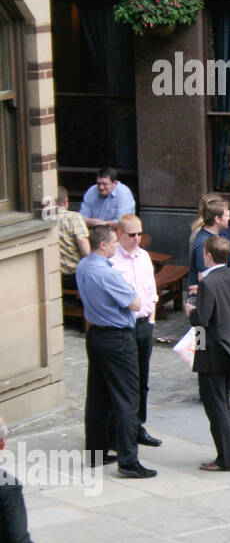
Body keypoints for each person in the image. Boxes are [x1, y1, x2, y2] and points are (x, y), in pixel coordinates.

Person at [76, 225, 154, 478]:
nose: (115, 246)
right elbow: (135, 302)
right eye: (112, 242)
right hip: (117, 338)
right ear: (103, 245)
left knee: (98, 395)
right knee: (126, 397)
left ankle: (96, 451)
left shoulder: (84, 266)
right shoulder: (106, 274)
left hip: (96, 334)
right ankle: (128, 459)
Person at [185, 235, 230, 471]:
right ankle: (227, 454)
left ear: (208, 256)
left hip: (210, 349)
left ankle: (227, 458)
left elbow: (201, 321)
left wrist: (191, 309)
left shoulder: (208, 283)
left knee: (215, 404)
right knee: (224, 401)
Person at [109, 214, 162, 448]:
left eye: (139, 233)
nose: (137, 239)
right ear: (119, 234)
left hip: (143, 325)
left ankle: (138, 424)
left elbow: (151, 289)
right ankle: (118, 429)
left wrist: (152, 318)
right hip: (123, 326)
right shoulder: (111, 260)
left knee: (142, 378)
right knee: (123, 381)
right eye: (131, 235)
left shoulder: (144, 257)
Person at [190, 195, 230, 292]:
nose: (229, 218)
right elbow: (203, 277)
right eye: (227, 215)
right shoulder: (203, 244)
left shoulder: (218, 235)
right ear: (217, 219)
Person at [55, 186, 90, 289]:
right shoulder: (74, 217)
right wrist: (91, 260)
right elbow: (82, 240)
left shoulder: (45, 218)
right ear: (66, 201)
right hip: (75, 275)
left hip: (55, 276)